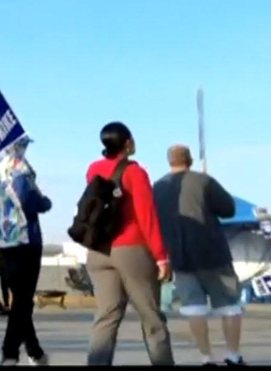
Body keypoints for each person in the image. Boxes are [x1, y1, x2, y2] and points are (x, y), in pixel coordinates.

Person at [84, 122, 173, 366]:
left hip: (98, 250)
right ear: (127, 143)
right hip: (130, 249)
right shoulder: (135, 172)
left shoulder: (93, 169)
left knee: (106, 316)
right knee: (151, 316)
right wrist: (161, 256)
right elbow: (147, 216)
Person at [152, 145, 244, 365]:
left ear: (169, 161)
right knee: (230, 305)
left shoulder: (157, 187)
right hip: (213, 252)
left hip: (180, 255)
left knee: (194, 307)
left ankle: (206, 357)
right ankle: (232, 355)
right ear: (190, 160)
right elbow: (228, 209)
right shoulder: (204, 180)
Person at [0, 147, 51, 365]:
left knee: (20, 301)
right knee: (23, 302)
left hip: (5, 241)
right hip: (26, 240)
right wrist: (44, 201)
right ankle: (10, 353)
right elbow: (28, 199)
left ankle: (35, 351)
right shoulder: (21, 171)